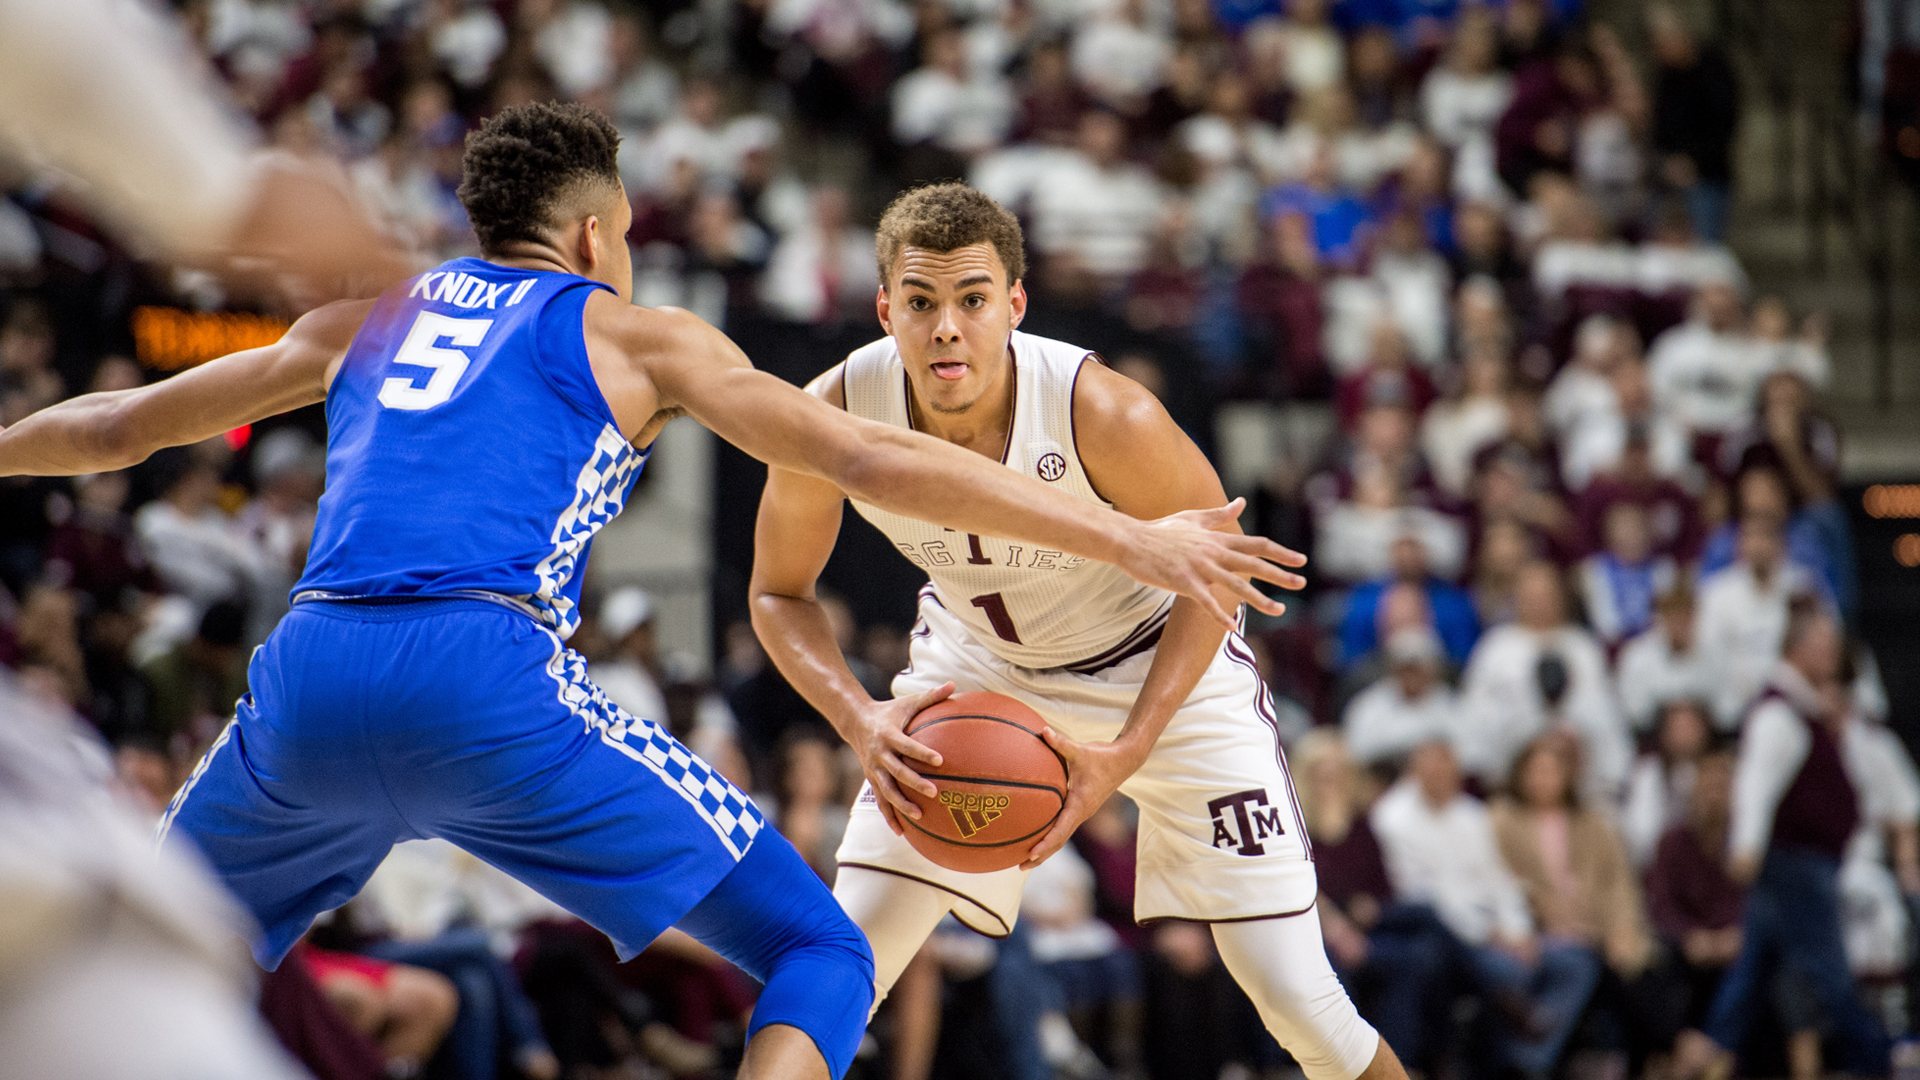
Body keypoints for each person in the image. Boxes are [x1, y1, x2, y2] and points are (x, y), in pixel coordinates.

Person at [0, 105, 1303, 1080]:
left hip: (308, 679)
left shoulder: (370, 318)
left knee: (140, 966)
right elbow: (859, 451)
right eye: (622, 230)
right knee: (820, 954)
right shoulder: (634, 332)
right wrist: (1131, 541)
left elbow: (121, 423)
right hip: (482, 678)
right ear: (593, 233)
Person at [749, 182, 1404, 1080]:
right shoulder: (830, 413)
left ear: (1015, 304)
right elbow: (777, 595)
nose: (947, 327)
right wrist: (860, 720)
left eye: (973, 300)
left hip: (1163, 667)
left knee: (1302, 1005)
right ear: (884, 308)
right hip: (979, 673)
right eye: (922, 302)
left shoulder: (1107, 412)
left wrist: (1129, 749)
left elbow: (1218, 586)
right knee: (839, 956)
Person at [1675, 601, 1891, 1080]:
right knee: (1829, 971)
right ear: (1801, 648)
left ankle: (1706, 1050)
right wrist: (1746, 845)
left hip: (1801, 861)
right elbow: (1756, 783)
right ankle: (1875, 1058)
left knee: (1751, 970)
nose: (1836, 654)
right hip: (1796, 862)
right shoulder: (1780, 712)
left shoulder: (1805, 707)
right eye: (1826, 645)